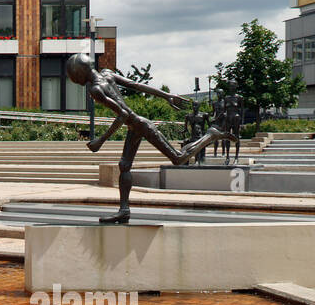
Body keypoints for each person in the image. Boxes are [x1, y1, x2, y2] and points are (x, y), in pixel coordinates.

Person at [66, 54, 227, 224]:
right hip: (135, 125)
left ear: (78, 73)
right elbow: (136, 85)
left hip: (140, 125)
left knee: (178, 159)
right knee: (124, 166)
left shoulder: (96, 89)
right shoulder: (107, 73)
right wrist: (166, 95)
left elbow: (123, 114)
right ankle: (124, 210)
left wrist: (101, 140)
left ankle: (211, 135)